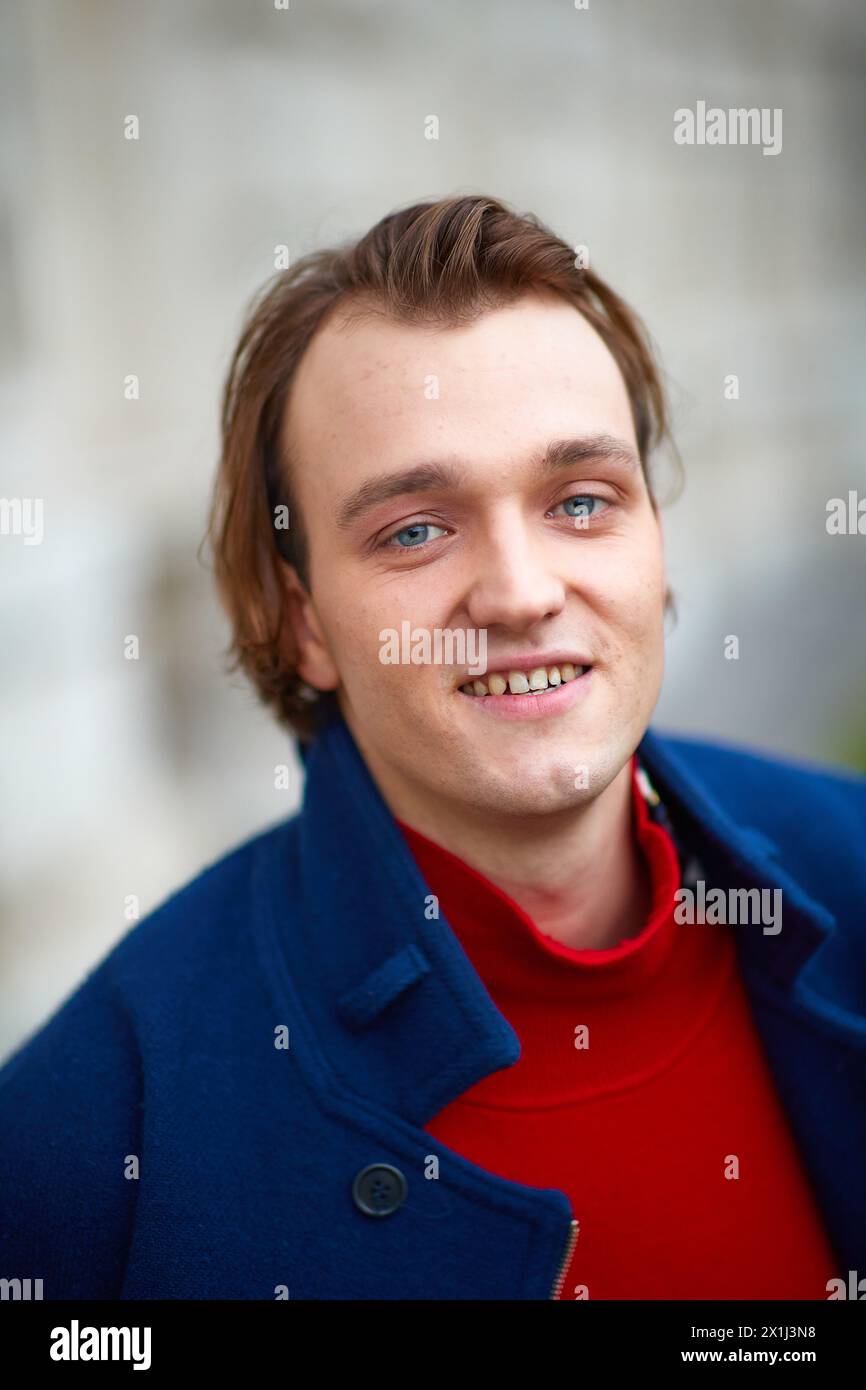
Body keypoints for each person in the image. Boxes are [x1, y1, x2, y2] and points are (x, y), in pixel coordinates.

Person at [1, 195, 864, 1300]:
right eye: (414, 528)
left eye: (581, 500)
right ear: (302, 620)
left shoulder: (848, 865)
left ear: (653, 541)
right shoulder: (88, 1131)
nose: (518, 591)